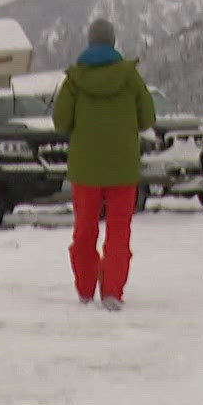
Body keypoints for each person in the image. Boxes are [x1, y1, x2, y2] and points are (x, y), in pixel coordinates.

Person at [52, 18, 156, 311]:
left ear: (89, 42)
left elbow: (60, 122)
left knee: (85, 231)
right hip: (123, 169)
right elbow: (148, 118)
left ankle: (85, 289)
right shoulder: (130, 77)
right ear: (113, 42)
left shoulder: (74, 81)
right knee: (118, 231)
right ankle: (112, 292)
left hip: (85, 170)